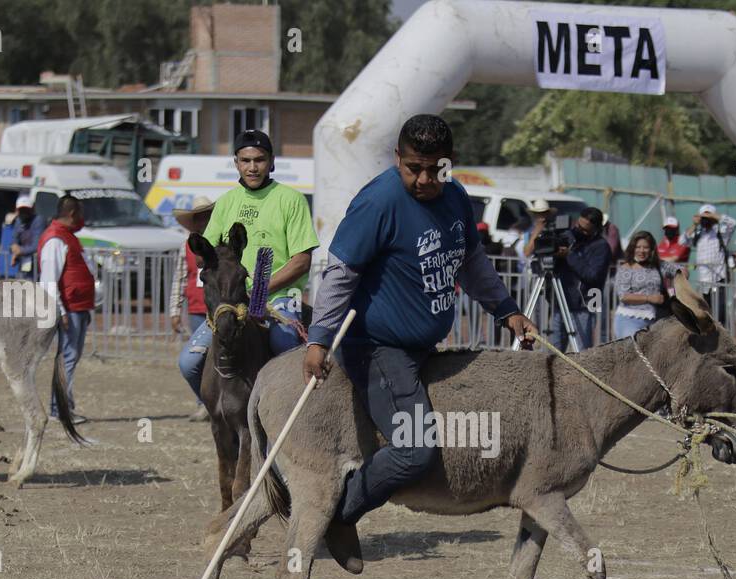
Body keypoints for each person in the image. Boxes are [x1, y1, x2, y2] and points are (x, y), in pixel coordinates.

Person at [303, 114, 536, 550]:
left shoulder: (458, 198)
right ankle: (338, 514)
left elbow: (472, 264)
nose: (426, 179)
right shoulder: (379, 202)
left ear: (452, 162)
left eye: (437, 168)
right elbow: (341, 275)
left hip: (426, 346)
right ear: (397, 159)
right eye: (414, 168)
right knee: (414, 449)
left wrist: (506, 311)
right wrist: (318, 338)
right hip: (377, 348)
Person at [200, 129, 317, 356]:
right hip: (230, 300)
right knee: (189, 363)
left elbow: (301, 262)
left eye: (259, 160)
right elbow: (204, 255)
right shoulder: (225, 202)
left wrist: (258, 292)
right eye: (245, 161)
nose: (252, 167)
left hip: (280, 298)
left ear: (271, 161)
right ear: (236, 164)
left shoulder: (292, 200)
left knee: (285, 344)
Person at [37, 195, 95, 424]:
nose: (82, 218)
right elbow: (49, 280)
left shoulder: (67, 237)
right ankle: (59, 408)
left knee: (70, 356)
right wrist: (60, 311)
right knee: (67, 357)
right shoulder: (55, 239)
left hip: (78, 307)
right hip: (69, 309)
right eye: (80, 213)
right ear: (72, 213)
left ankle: (62, 407)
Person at [170, 196, 214, 420]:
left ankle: (214, 401)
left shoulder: (219, 242)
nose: (203, 221)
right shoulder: (184, 246)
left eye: (206, 216)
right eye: (199, 218)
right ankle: (204, 402)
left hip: (216, 308)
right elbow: (179, 278)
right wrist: (174, 310)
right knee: (197, 358)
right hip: (196, 309)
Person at [547, 206, 612, 351]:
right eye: (578, 226)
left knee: (582, 351)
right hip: (561, 301)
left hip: (584, 304)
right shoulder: (568, 237)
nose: (579, 231)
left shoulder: (601, 246)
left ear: (596, 229)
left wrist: (569, 255)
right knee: (554, 349)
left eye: (585, 230)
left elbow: (592, 276)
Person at [681, 203, 736, 326]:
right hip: (704, 281)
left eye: (708, 217)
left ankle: (724, 336)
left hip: (718, 279)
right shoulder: (698, 234)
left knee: (720, 314)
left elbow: (732, 223)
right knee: (708, 313)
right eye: (703, 217)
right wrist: (695, 224)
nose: (705, 220)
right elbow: (683, 241)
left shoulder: (720, 232)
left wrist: (713, 216)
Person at [612, 230, 666, 340]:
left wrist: (681, 274)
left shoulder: (657, 266)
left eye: (645, 247)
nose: (641, 251)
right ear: (632, 248)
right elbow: (624, 296)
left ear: (651, 249)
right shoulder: (625, 269)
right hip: (628, 320)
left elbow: (678, 269)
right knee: (633, 353)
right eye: (638, 247)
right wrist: (650, 298)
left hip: (653, 322)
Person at [8, 193, 45, 276]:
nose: (23, 213)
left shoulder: (39, 220)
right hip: (23, 265)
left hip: (37, 266)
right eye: (21, 210)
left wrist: (20, 251)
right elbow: (14, 240)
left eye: (26, 210)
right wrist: (13, 247)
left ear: (32, 209)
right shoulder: (18, 220)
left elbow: (36, 245)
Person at [656, 214, 689, 293]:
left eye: (672, 229)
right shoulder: (661, 245)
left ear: (677, 229)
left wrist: (658, 259)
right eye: (667, 229)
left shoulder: (682, 243)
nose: (669, 231)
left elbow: (674, 258)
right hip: (662, 285)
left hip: (678, 286)